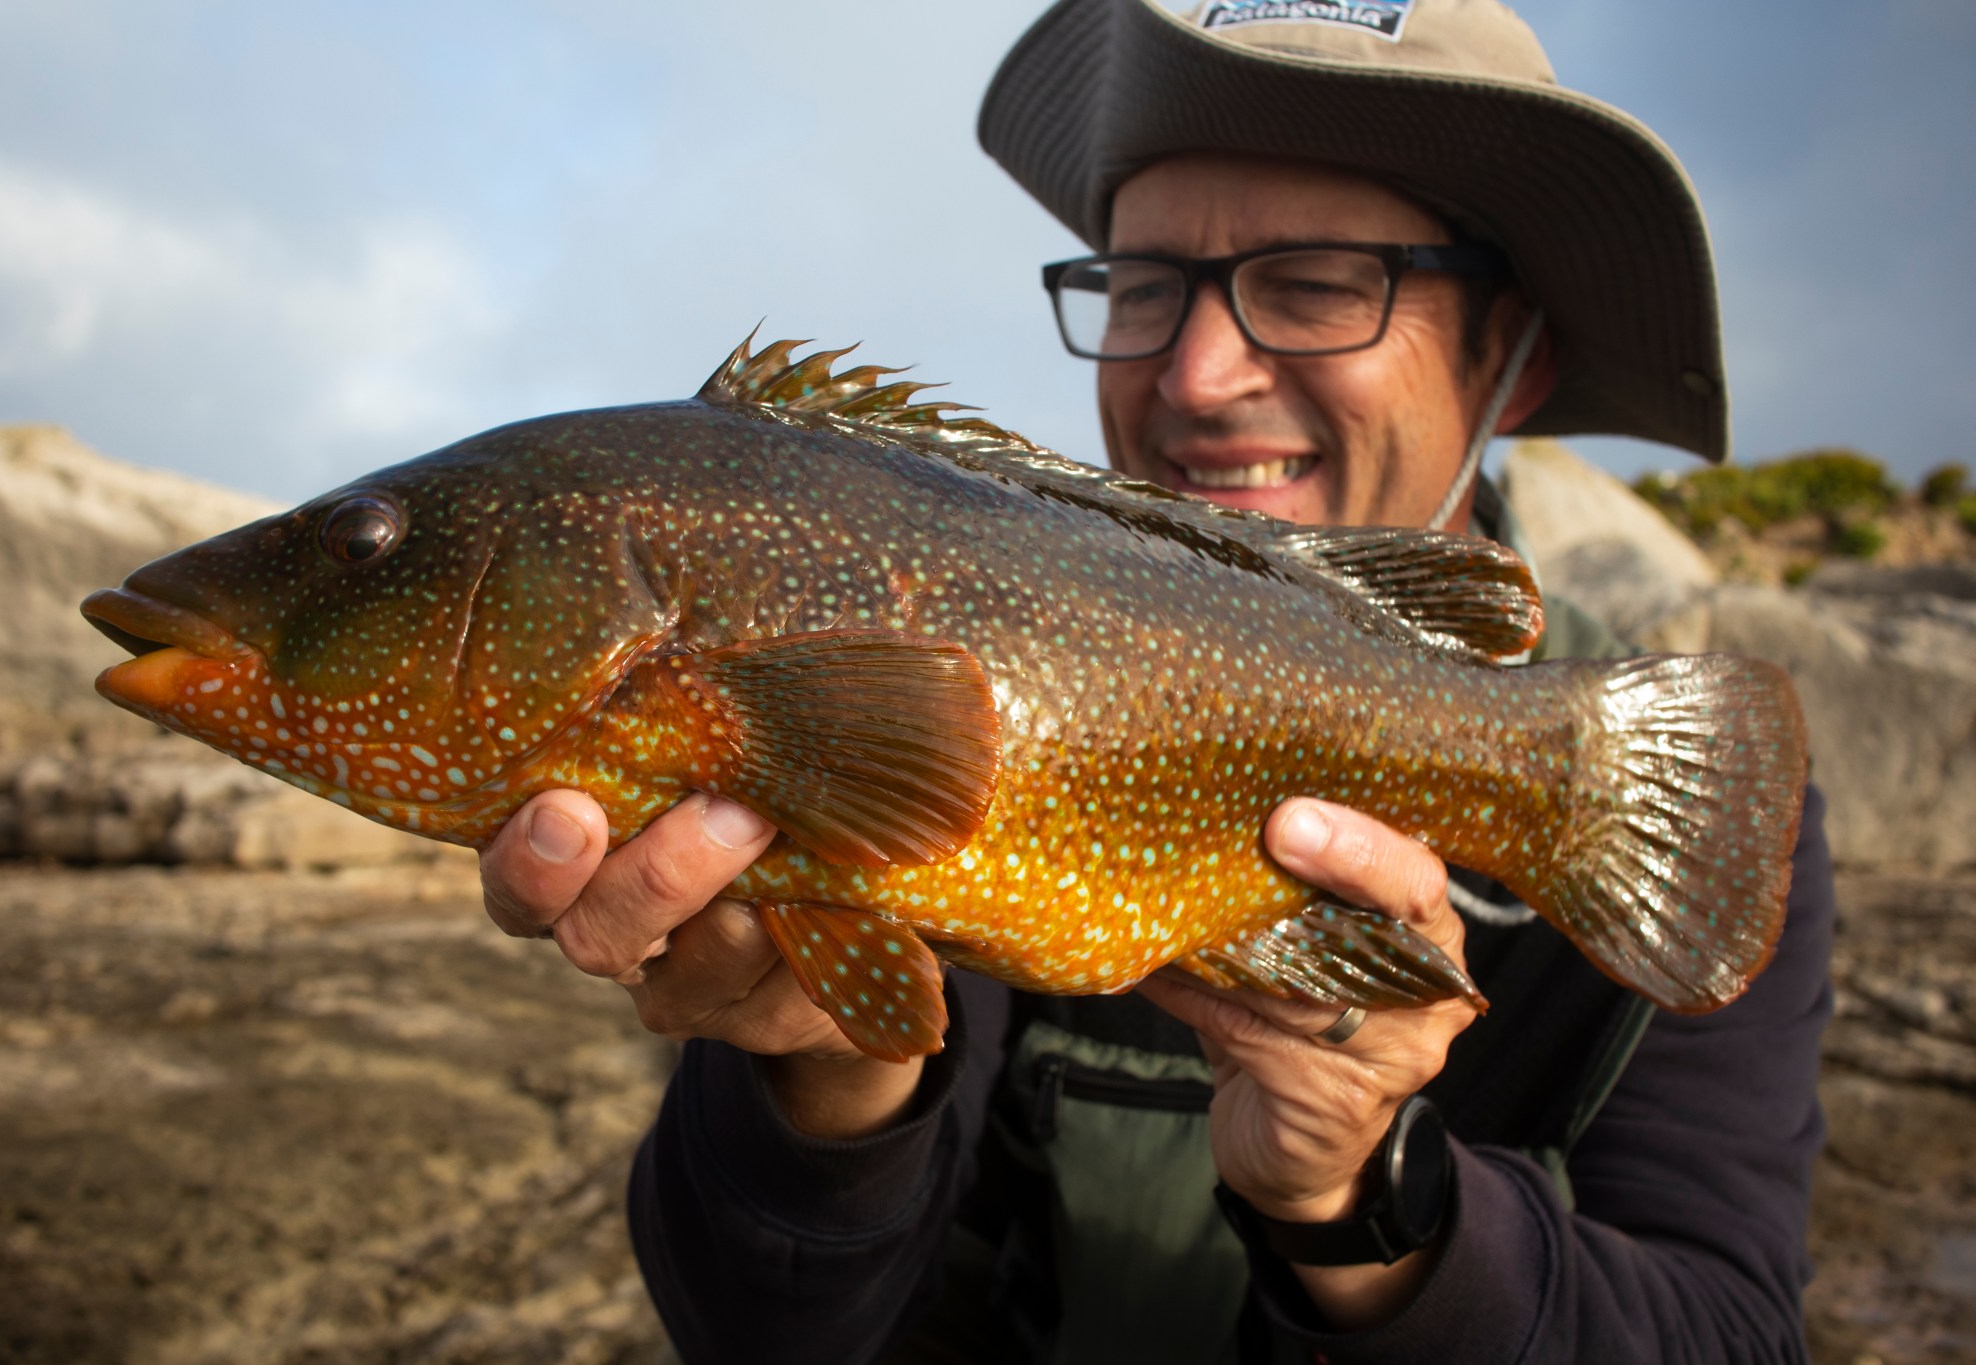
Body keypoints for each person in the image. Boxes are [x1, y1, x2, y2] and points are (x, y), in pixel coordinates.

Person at [480, 2, 1833, 1361]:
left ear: (1516, 356)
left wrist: (1364, 1202)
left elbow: (1729, 1329)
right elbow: (770, 1336)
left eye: (1314, 283)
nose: (1195, 371)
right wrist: (825, 1073)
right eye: (1140, 288)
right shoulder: (968, 632)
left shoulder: (1632, 780)